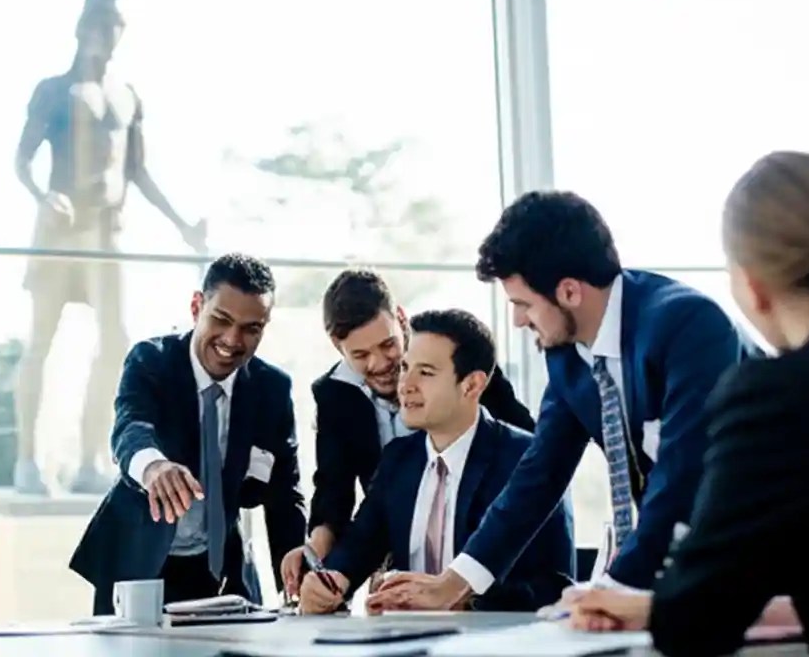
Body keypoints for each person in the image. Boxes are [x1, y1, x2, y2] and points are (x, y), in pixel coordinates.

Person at [566, 152, 809, 656]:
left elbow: (698, 621)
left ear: (753, 285)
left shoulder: (778, 398)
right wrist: (655, 603)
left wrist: (663, 604)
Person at [368, 191, 757, 613]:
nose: (517, 321)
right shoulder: (568, 355)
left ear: (569, 291)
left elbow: (681, 473)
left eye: (523, 304)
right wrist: (455, 582)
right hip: (697, 566)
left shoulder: (689, 325)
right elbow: (538, 475)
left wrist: (615, 589)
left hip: (774, 548)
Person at [12, 0, 207, 495]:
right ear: (82, 29)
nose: (107, 36)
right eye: (100, 25)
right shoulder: (54, 89)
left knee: (116, 342)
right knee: (42, 342)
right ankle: (27, 458)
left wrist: (182, 224)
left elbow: (138, 172)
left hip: (107, 232)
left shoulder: (126, 97)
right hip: (59, 229)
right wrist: (41, 195)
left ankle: (92, 455)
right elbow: (22, 158)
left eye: (115, 27)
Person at [69, 253, 307, 615]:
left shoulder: (271, 389)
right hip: (139, 564)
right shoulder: (152, 361)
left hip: (218, 570)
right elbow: (130, 427)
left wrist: (296, 586)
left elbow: (284, 495)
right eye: (222, 320)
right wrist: (154, 468)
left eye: (251, 328)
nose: (232, 339)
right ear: (197, 306)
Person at [298, 309, 574, 615]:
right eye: (405, 367)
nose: (405, 384)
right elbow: (360, 543)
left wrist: (464, 600)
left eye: (426, 372)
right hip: (406, 642)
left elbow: (556, 586)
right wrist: (331, 580)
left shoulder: (526, 461)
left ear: (471, 385)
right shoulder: (398, 458)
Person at [281, 269, 535, 596]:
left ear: (400, 319)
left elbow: (528, 455)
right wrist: (321, 560)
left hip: (478, 555)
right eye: (360, 355)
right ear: (338, 347)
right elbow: (335, 489)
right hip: (396, 556)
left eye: (388, 345)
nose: (381, 364)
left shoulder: (456, 356)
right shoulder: (338, 399)